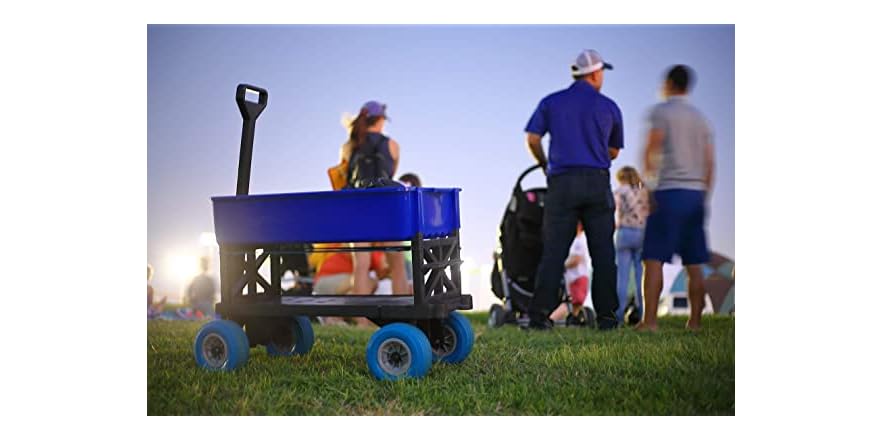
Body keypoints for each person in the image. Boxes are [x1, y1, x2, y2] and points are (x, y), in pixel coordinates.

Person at [523, 49, 623, 330]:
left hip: (561, 183)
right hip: (595, 181)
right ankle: (606, 318)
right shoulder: (609, 107)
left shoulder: (551, 102)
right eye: (602, 72)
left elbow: (532, 138)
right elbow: (613, 150)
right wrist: (593, 149)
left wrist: (545, 164)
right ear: (594, 74)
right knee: (603, 253)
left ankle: (539, 316)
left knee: (554, 251)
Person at [639, 65, 715, 332]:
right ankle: (694, 322)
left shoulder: (662, 112)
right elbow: (709, 162)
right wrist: (704, 194)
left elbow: (652, 148)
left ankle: (650, 322)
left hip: (669, 190)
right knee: (695, 263)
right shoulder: (701, 119)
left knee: (654, 259)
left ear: (669, 83)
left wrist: (648, 187)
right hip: (696, 194)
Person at [339, 101, 408, 296]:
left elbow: (344, 176)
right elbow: (391, 175)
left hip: (357, 209)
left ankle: (361, 320)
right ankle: (402, 313)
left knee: (361, 265)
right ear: (380, 121)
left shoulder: (349, 147)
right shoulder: (393, 145)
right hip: (386, 210)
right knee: (397, 266)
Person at [613, 166, 650, 323]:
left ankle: (619, 316)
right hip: (643, 233)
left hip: (624, 233)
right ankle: (644, 315)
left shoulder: (620, 191)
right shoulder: (644, 192)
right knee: (642, 276)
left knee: (622, 277)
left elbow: (614, 209)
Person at [549, 223, 591, 326]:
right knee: (572, 303)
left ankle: (552, 319)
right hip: (571, 279)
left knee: (572, 303)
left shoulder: (580, 240)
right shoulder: (573, 241)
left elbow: (576, 259)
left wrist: (562, 265)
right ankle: (574, 319)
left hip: (578, 277)